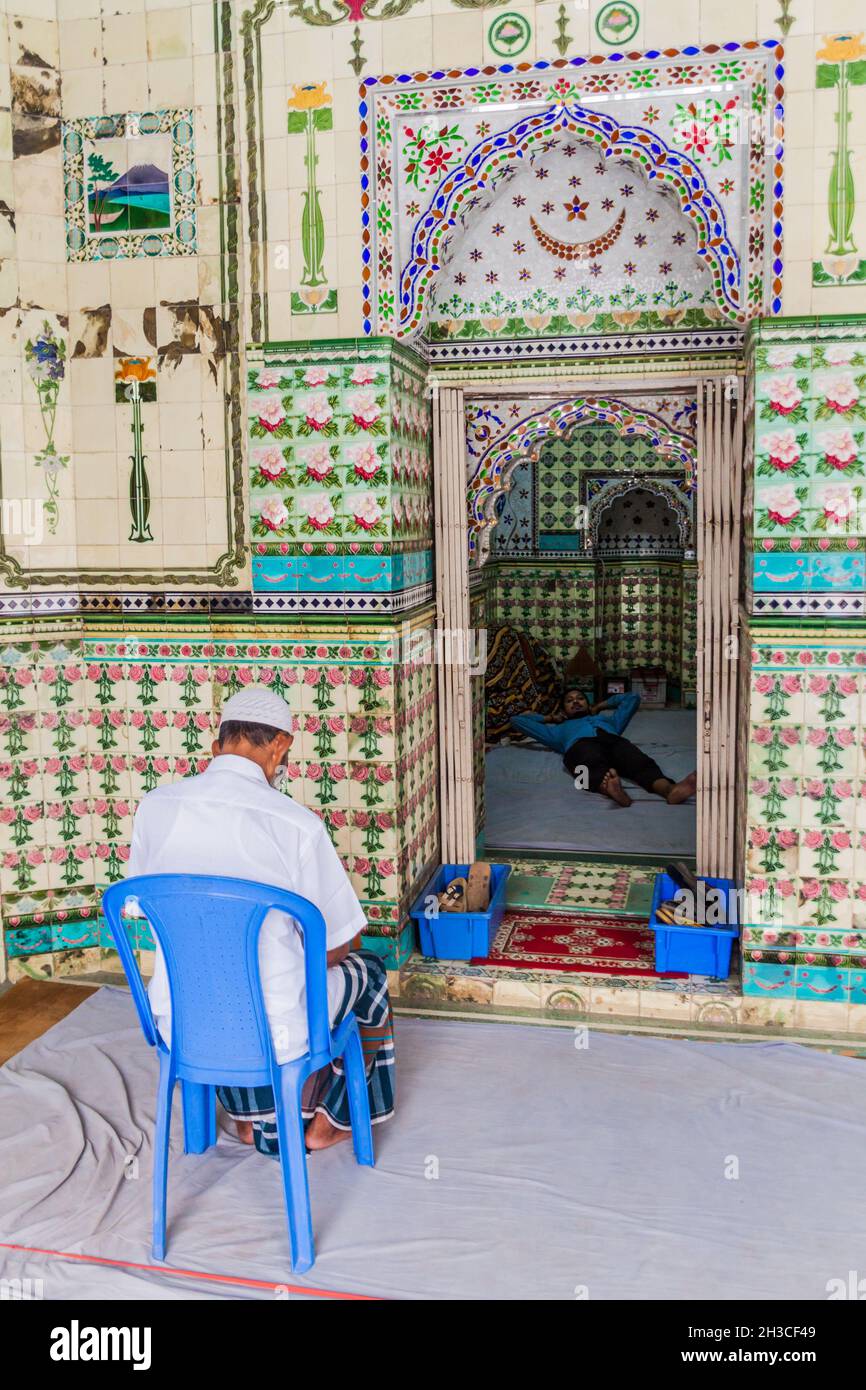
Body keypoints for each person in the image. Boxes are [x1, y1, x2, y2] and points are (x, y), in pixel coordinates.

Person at [126, 686, 394, 1157]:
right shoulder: (295, 824)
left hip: (180, 1019)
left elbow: (141, 908)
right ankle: (329, 1122)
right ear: (280, 746)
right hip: (279, 1030)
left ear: (217, 746)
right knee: (366, 972)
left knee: (226, 983)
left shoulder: (155, 808)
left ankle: (252, 1121)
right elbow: (339, 943)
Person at [511, 686, 696, 808]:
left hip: (613, 741)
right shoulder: (558, 731)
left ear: (588, 703)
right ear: (563, 710)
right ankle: (610, 789)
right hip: (581, 746)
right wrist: (549, 719)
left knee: (639, 762)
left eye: (580, 699)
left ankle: (670, 791)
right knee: (586, 767)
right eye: (570, 700)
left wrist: (601, 705)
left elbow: (632, 697)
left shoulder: (610, 721)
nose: (576, 701)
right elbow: (517, 721)